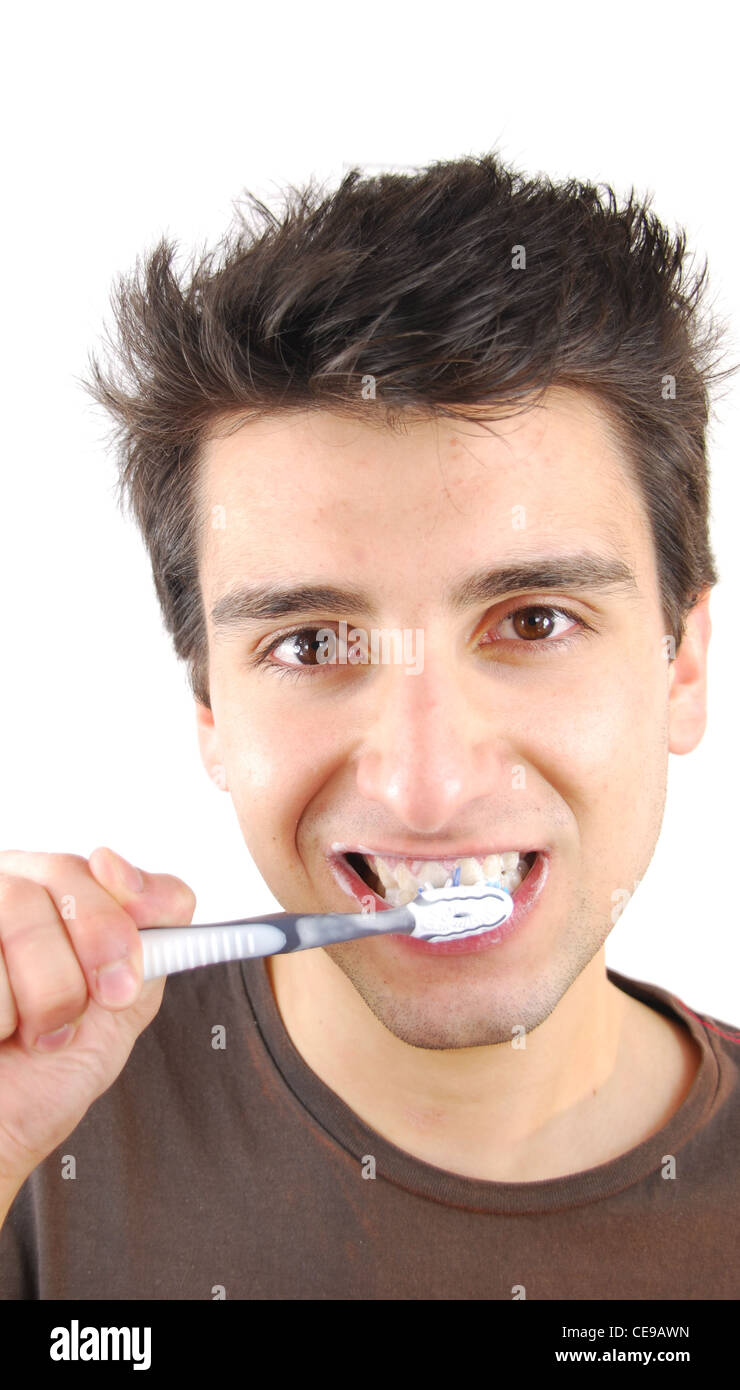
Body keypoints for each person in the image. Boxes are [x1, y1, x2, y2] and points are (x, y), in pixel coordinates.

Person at [0, 154, 737, 1300]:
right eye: (309, 644)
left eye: (532, 620)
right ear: (208, 707)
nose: (426, 787)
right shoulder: (37, 1132)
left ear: (681, 661)